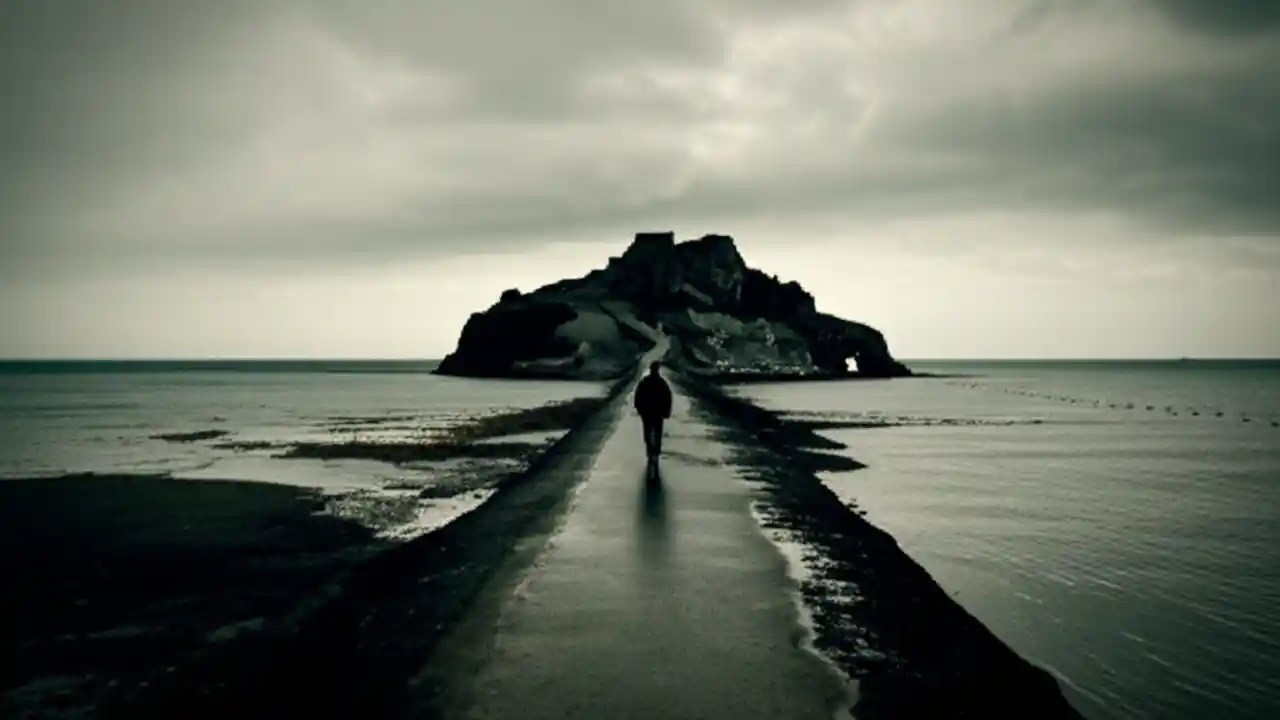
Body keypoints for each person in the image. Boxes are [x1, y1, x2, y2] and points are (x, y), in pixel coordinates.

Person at [634, 361, 673, 461]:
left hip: (647, 412)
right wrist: (667, 411)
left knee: (648, 432)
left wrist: (639, 407)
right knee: (657, 432)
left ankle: (650, 450)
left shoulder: (645, 382)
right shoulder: (661, 383)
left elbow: (638, 395)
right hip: (657, 412)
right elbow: (668, 397)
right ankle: (655, 451)